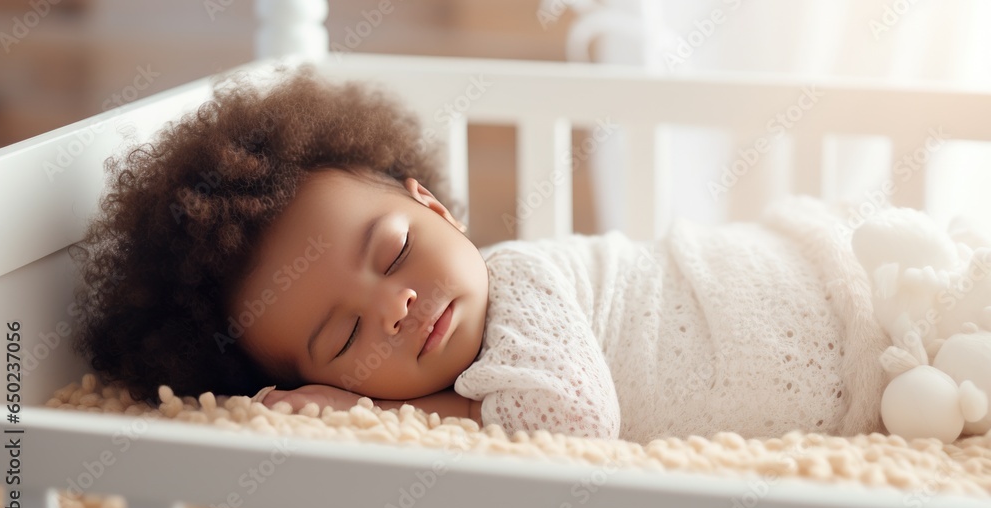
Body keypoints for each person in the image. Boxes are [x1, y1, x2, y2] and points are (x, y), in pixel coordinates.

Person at [72, 64, 892, 445]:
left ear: (429, 202)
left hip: (849, 295)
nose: (393, 306)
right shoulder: (473, 384)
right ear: (307, 375)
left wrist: (372, 409)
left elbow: (573, 420)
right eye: (343, 339)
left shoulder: (522, 279)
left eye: (393, 252)